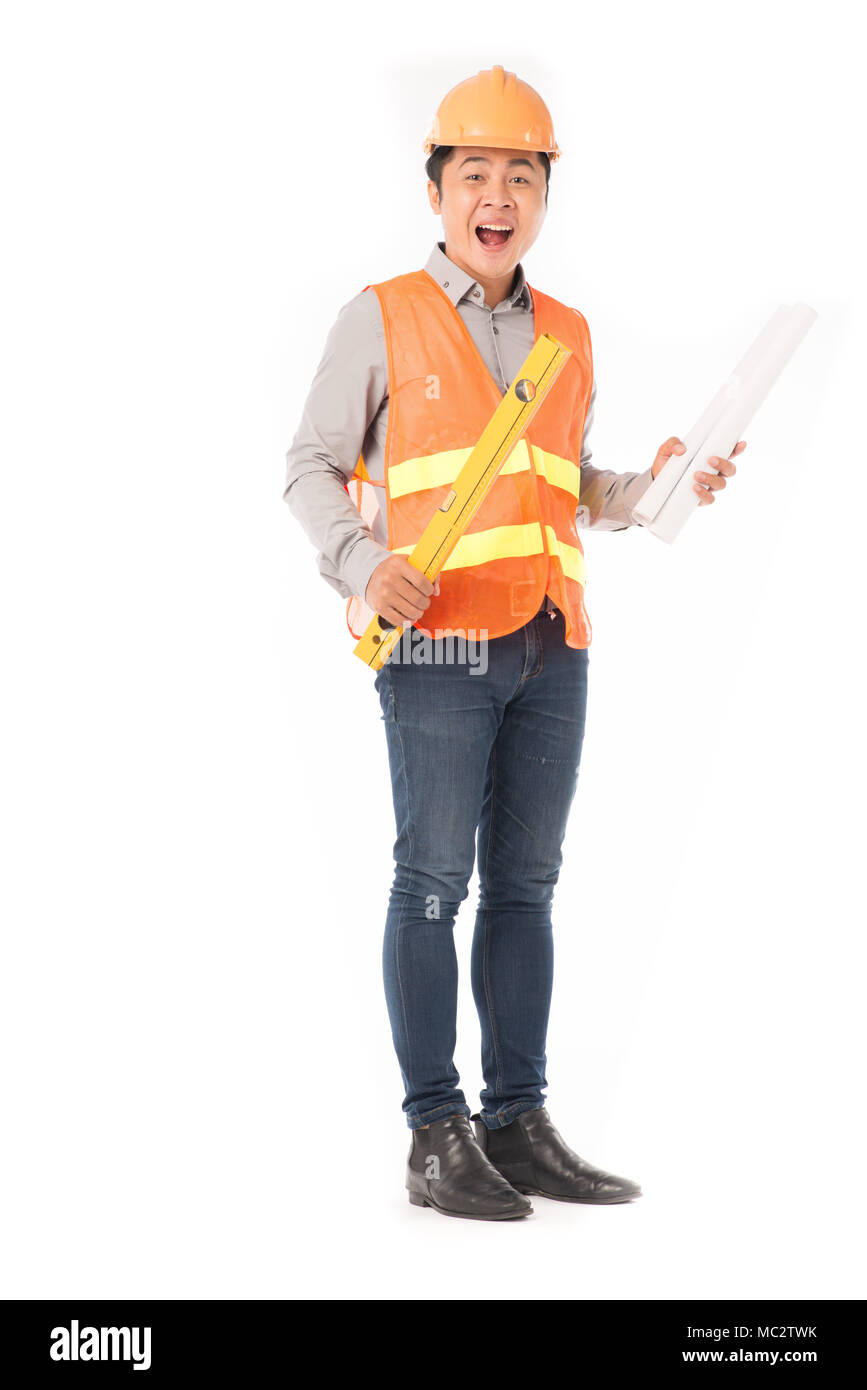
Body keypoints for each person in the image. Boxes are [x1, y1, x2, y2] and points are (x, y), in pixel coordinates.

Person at [283, 65, 744, 1221]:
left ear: (545, 193)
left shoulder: (569, 333)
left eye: (522, 175)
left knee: (527, 889)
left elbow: (562, 480)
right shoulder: (380, 315)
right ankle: (436, 1132)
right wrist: (358, 563)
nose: (500, 194)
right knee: (433, 883)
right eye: (476, 172)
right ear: (437, 187)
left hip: (553, 638)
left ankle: (518, 1119)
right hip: (436, 645)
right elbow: (307, 467)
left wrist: (661, 486)